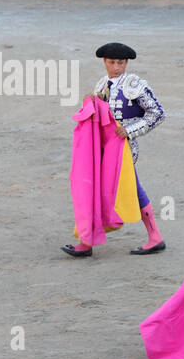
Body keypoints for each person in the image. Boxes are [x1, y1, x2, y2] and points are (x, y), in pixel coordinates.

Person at [62, 42, 166, 258]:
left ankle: (153, 237)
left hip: (125, 147)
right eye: (112, 62)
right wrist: (89, 103)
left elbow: (157, 113)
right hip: (103, 147)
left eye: (120, 63)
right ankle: (87, 240)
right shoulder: (101, 85)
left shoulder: (135, 84)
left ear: (126, 63)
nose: (117, 67)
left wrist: (129, 130)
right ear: (104, 62)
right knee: (95, 188)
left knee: (131, 189)